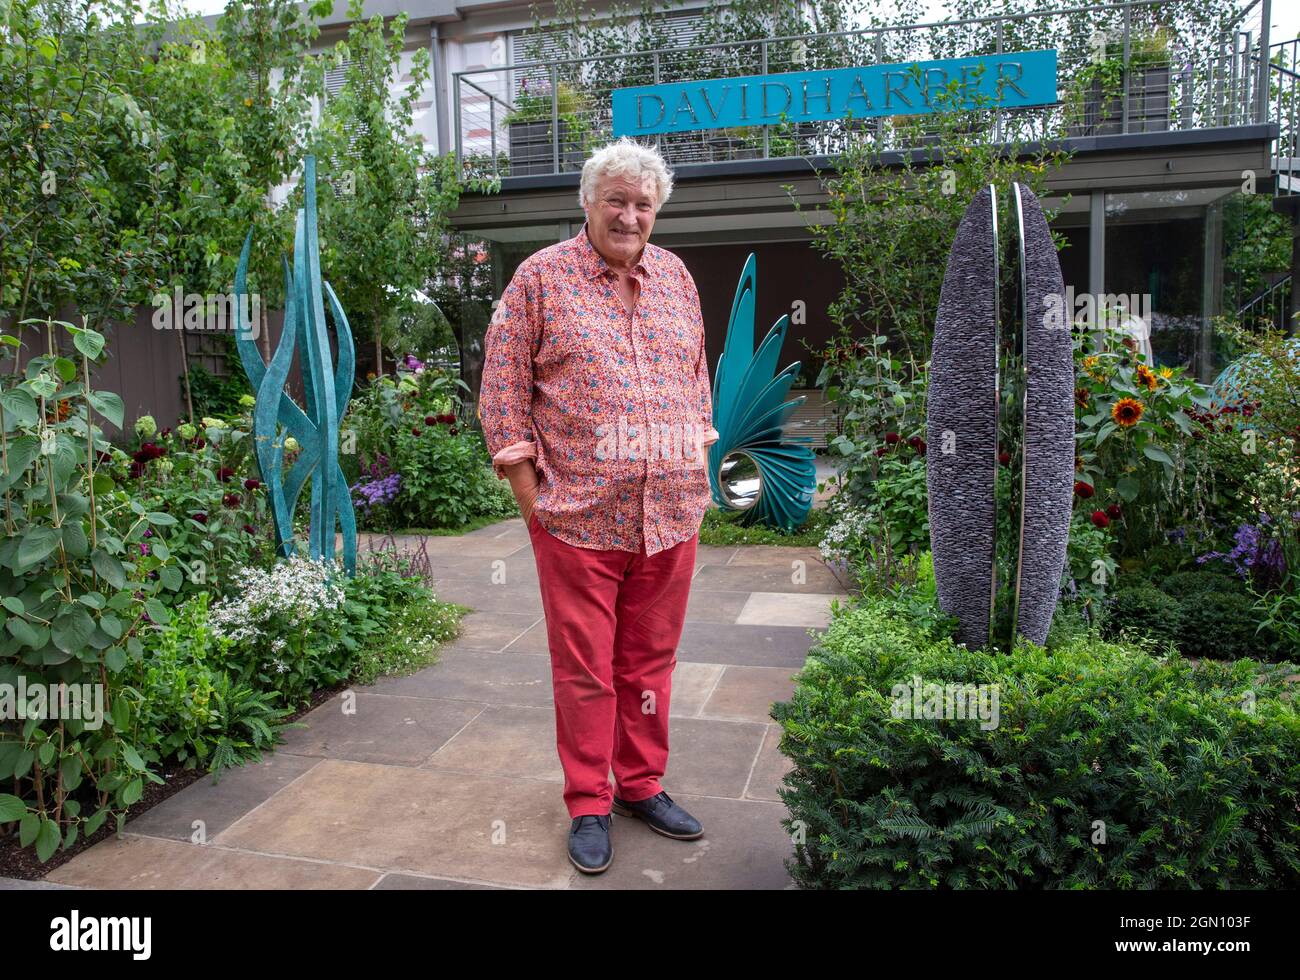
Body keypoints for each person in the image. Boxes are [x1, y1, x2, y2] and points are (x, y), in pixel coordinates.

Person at [478, 136, 719, 874]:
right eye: (616, 200)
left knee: (649, 663)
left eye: (643, 204)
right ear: (588, 203)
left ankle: (641, 785)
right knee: (585, 669)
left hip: (671, 512)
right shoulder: (539, 279)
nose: (630, 215)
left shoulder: (676, 277)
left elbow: (697, 379)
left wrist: (696, 464)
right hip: (577, 517)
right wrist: (531, 502)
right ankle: (589, 800)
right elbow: (502, 393)